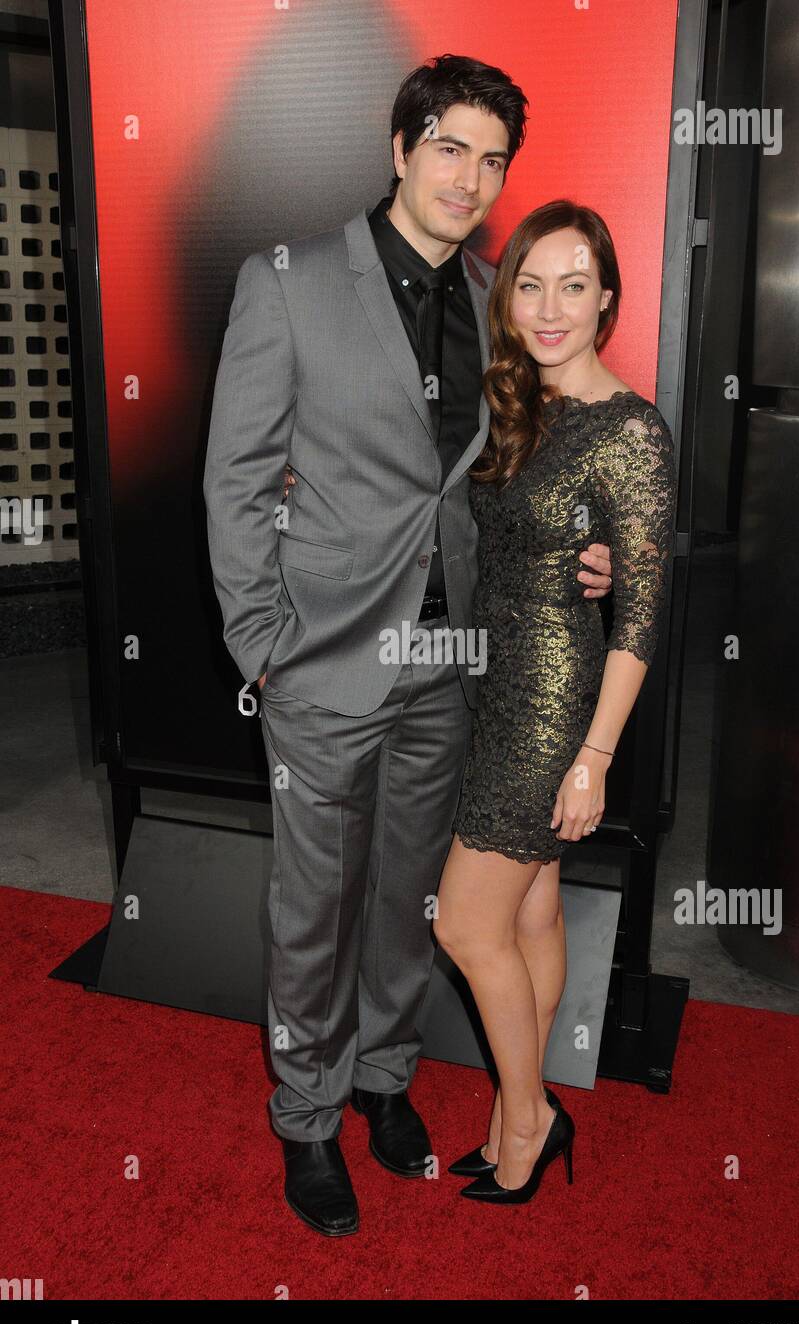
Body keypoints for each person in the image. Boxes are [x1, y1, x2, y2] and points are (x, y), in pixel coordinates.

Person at [203, 56, 613, 1239]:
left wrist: (584, 555)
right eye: (449, 149)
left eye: (492, 160)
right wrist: (260, 645)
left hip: (455, 660)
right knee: (312, 906)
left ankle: (381, 1080)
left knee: (405, 898)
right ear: (398, 149)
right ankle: (306, 1115)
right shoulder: (285, 282)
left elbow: (516, 477)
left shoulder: (499, 295)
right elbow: (233, 480)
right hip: (323, 660)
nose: (470, 178)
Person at [432, 200, 677, 1205]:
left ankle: (529, 1115)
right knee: (529, 911)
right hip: (493, 685)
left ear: (605, 300)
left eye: (572, 285)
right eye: (528, 283)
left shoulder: (629, 431)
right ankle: (510, 1111)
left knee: (461, 924)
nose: (548, 307)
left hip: (551, 704)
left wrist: (594, 756)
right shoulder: (521, 403)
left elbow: (642, 612)